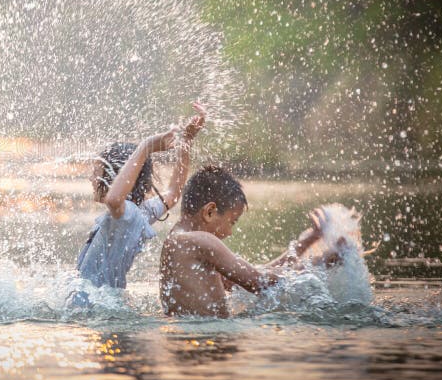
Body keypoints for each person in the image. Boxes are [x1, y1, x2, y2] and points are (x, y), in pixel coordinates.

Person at [159, 165, 341, 317]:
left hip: (192, 337)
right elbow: (259, 282)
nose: (230, 232)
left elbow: (252, 276)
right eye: (232, 221)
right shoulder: (200, 240)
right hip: (208, 340)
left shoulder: (178, 240)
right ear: (210, 212)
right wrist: (316, 266)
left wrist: (306, 242)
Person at [71, 103, 206, 305]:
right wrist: (186, 141)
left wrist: (145, 148)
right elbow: (174, 192)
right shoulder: (139, 213)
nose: (91, 178)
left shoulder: (125, 215)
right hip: (104, 305)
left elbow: (114, 199)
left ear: (116, 177)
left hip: (91, 308)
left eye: (97, 172)